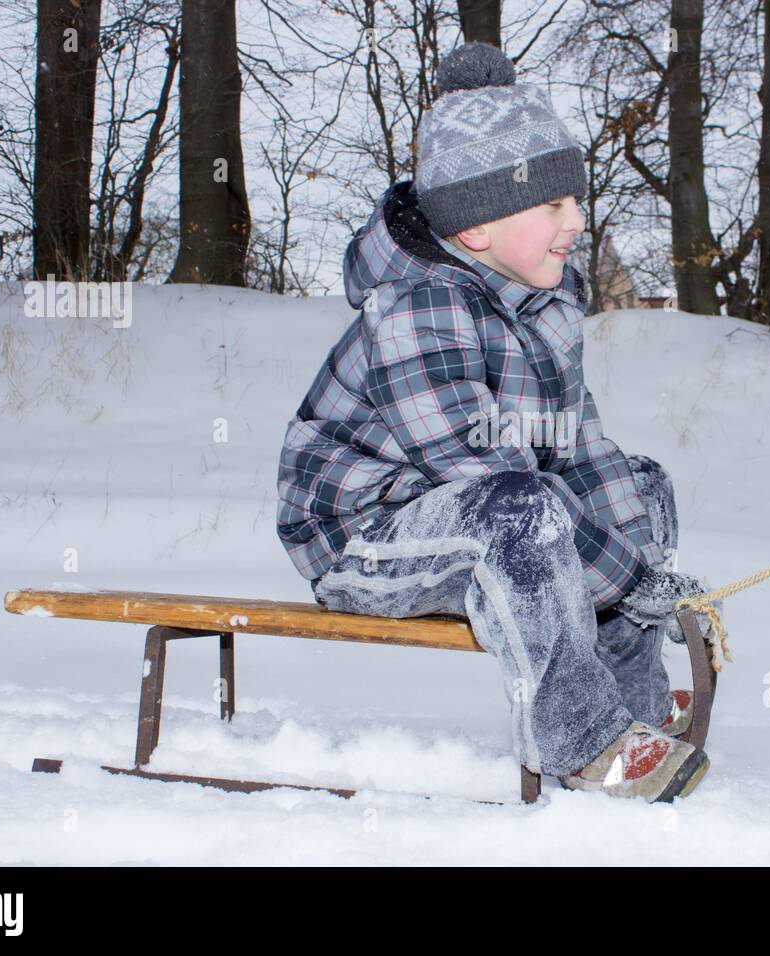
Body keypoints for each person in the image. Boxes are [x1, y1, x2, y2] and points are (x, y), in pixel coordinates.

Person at [276, 42, 720, 801]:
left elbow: (576, 450)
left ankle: (632, 702)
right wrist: (626, 574)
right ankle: (581, 738)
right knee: (523, 509)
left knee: (636, 484)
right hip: (361, 533)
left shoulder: (545, 305)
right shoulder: (418, 306)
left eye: (574, 200)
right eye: (553, 205)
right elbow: (479, 471)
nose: (577, 220)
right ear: (477, 227)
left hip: (478, 507)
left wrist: (641, 568)